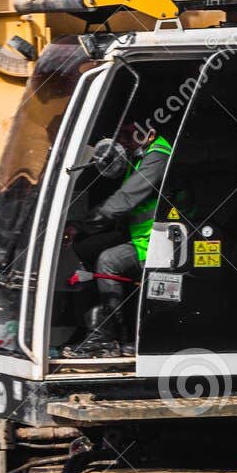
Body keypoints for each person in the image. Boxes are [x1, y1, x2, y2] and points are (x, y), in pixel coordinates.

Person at [66, 123, 172, 357]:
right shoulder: (139, 156)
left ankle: (114, 338)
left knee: (108, 260)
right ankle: (92, 330)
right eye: (119, 134)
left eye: (127, 135)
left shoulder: (158, 156)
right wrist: (80, 232)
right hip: (138, 235)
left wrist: (82, 225)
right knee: (84, 249)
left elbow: (124, 201)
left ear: (150, 133)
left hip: (157, 242)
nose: (121, 140)